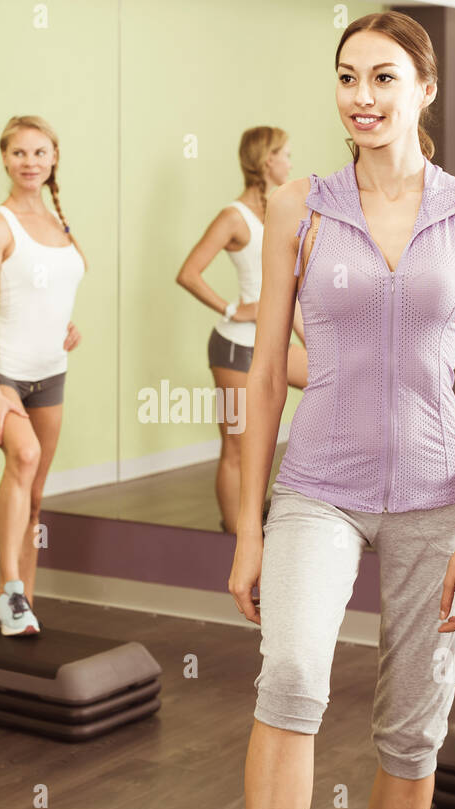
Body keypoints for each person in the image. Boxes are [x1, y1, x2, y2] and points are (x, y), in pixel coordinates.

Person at [228, 10, 455, 809]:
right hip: (319, 486)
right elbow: (266, 375)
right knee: (287, 675)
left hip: (438, 494)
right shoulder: (299, 205)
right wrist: (251, 529)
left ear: (424, 89)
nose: (363, 96)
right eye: (348, 77)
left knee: (416, 726)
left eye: (384, 78)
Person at [0, 116, 86, 636]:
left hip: (50, 374)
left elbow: (52, 291)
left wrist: (68, 326)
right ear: (5, 159)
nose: (30, 162)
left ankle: (22, 604)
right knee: (26, 456)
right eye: (19, 153)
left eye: (40, 153)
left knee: (36, 494)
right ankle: (10, 589)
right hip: (2, 375)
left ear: (54, 158)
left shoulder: (60, 223)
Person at [177, 127, 309, 534]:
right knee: (237, 448)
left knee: (338, 385)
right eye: (285, 154)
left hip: (274, 344)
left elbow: (294, 288)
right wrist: (235, 309)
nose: (290, 161)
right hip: (235, 348)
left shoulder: (286, 210)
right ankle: (235, 538)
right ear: (268, 160)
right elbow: (189, 273)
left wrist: (313, 342)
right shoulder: (234, 217)